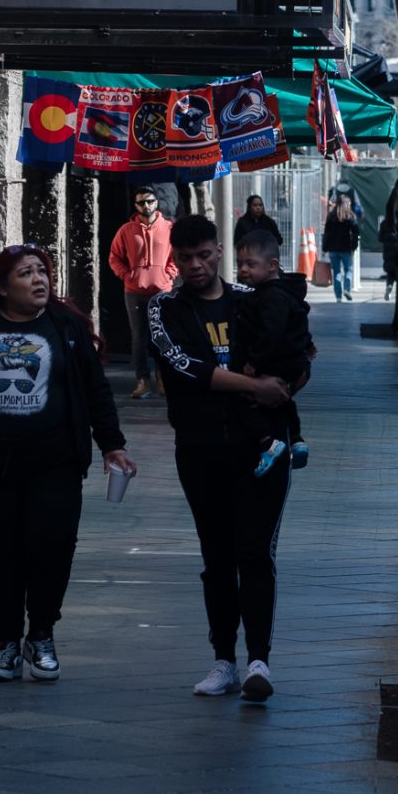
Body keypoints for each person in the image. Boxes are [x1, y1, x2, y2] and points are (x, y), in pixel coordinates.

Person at [0, 245, 135, 684]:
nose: (39, 280)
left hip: (54, 462)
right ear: (1, 286)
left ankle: (41, 635)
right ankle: (5, 645)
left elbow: (95, 391)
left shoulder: (65, 326)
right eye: (26, 273)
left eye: (43, 271)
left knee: (51, 547)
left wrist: (111, 445)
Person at [147, 214, 294, 704]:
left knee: (254, 553)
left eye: (204, 255)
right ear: (175, 259)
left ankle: (258, 660)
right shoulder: (163, 308)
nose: (195, 265)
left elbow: (297, 351)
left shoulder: (254, 300)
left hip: (262, 452)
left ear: (219, 252)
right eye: (185, 258)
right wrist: (257, 386)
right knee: (217, 558)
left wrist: (287, 384)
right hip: (202, 449)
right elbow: (190, 368)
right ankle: (223, 660)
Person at [232, 224, 314, 461]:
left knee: (245, 399)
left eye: (251, 264)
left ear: (272, 265)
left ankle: (268, 443)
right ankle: (297, 440)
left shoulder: (271, 297)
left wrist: (254, 363)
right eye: (240, 264)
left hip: (276, 361)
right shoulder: (281, 292)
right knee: (284, 399)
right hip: (291, 361)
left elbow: (272, 333)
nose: (244, 269)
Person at [106, 186, 175, 399]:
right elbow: (114, 257)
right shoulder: (126, 230)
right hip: (134, 290)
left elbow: (177, 256)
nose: (146, 205)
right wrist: (126, 275)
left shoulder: (169, 228)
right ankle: (142, 381)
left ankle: (163, 379)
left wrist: (169, 274)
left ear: (157, 202)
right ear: (135, 206)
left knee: (162, 336)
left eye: (150, 201)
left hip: (162, 291)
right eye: (141, 202)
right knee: (138, 337)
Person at [320, 191, 361, 302]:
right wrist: (353, 247)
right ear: (348, 204)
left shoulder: (331, 217)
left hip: (333, 249)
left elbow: (326, 234)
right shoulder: (351, 217)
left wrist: (324, 248)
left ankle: (338, 297)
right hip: (346, 249)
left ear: (336, 203)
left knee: (337, 272)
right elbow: (356, 234)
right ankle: (347, 289)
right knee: (348, 269)